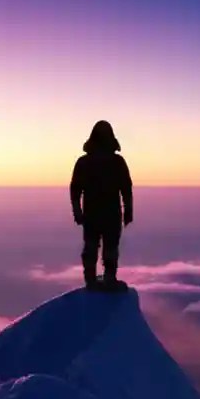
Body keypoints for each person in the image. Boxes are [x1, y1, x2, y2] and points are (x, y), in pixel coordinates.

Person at [70, 120, 133, 290]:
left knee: (92, 245)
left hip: (93, 213)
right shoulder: (117, 162)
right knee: (110, 247)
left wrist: (77, 211)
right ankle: (109, 279)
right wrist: (128, 211)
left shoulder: (84, 162)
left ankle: (91, 280)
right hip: (111, 213)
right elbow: (126, 188)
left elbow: (75, 190)